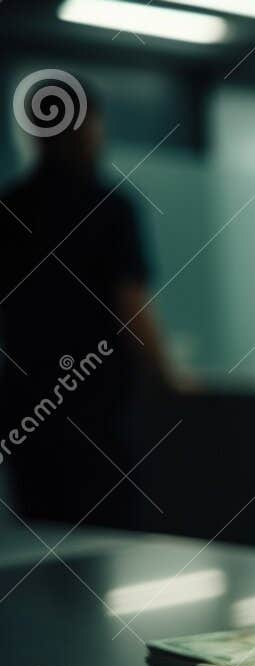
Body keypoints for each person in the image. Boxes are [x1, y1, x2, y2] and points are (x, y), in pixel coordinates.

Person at [0, 80, 185, 529]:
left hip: (27, 408)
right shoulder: (110, 208)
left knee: (43, 534)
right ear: (86, 127)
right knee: (111, 536)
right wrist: (170, 379)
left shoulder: (9, 209)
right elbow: (132, 308)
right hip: (99, 409)